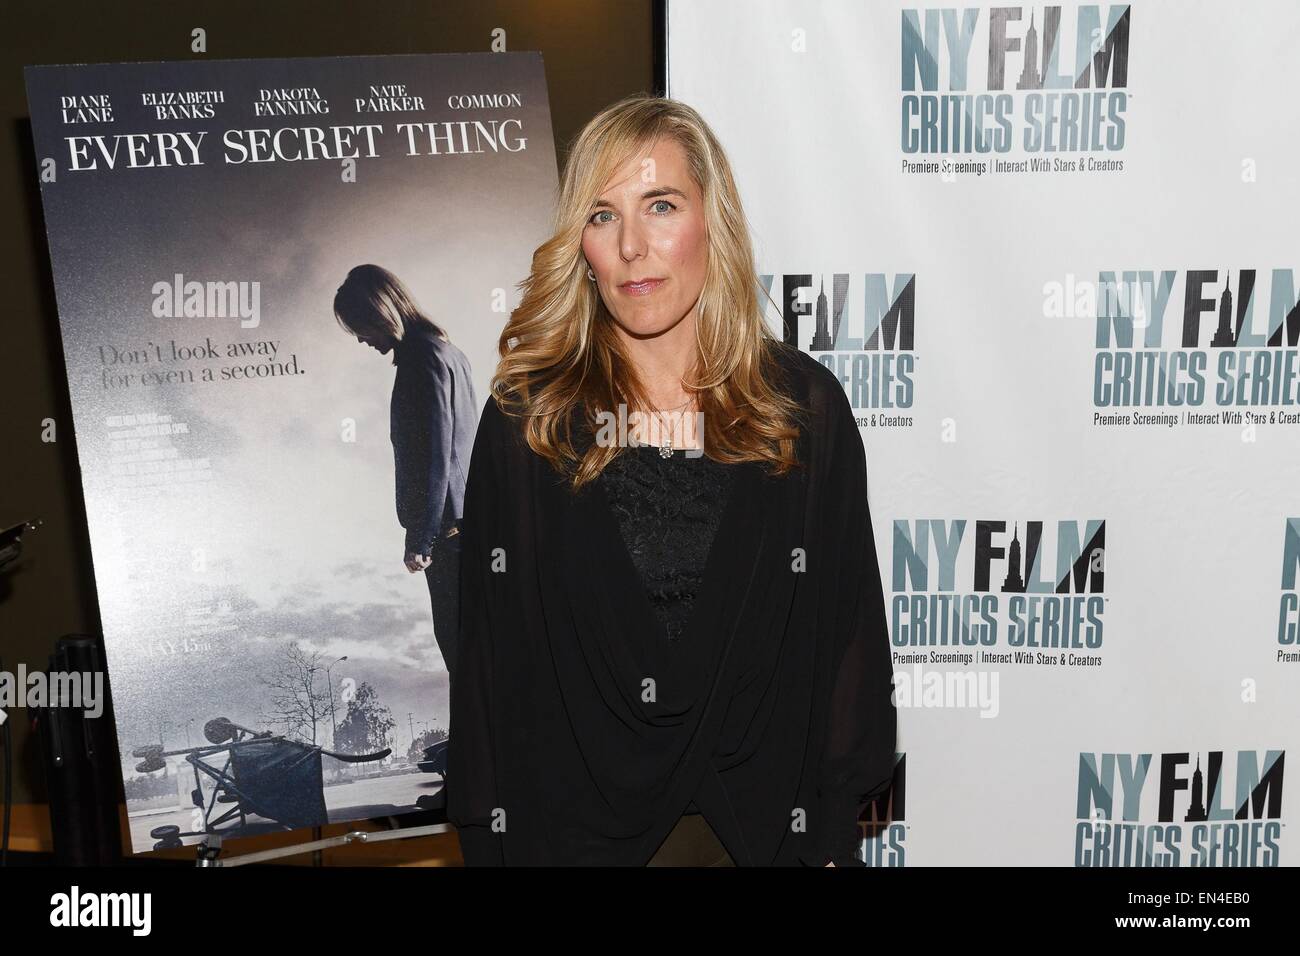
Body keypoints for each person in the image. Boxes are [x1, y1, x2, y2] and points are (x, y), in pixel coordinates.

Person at [446, 94, 895, 866]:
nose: (630, 247)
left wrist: (829, 828)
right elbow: (493, 665)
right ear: (578, 242)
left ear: (710, 225)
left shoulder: (800, 409)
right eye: (600, 214)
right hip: (572, 842)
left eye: (659, 205)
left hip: (763, 839)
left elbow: (847, 634)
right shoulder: (530, 423)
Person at [333, 264, 477, 681]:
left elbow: (435, 452)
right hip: (468, 526)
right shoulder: (450, 354)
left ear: (381, 312)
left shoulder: (421, 359)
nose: (362, 339)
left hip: (449, 533)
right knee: (479, 649)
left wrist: (421, 536)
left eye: (361, 326)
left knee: (461, 652)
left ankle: (487, 744)